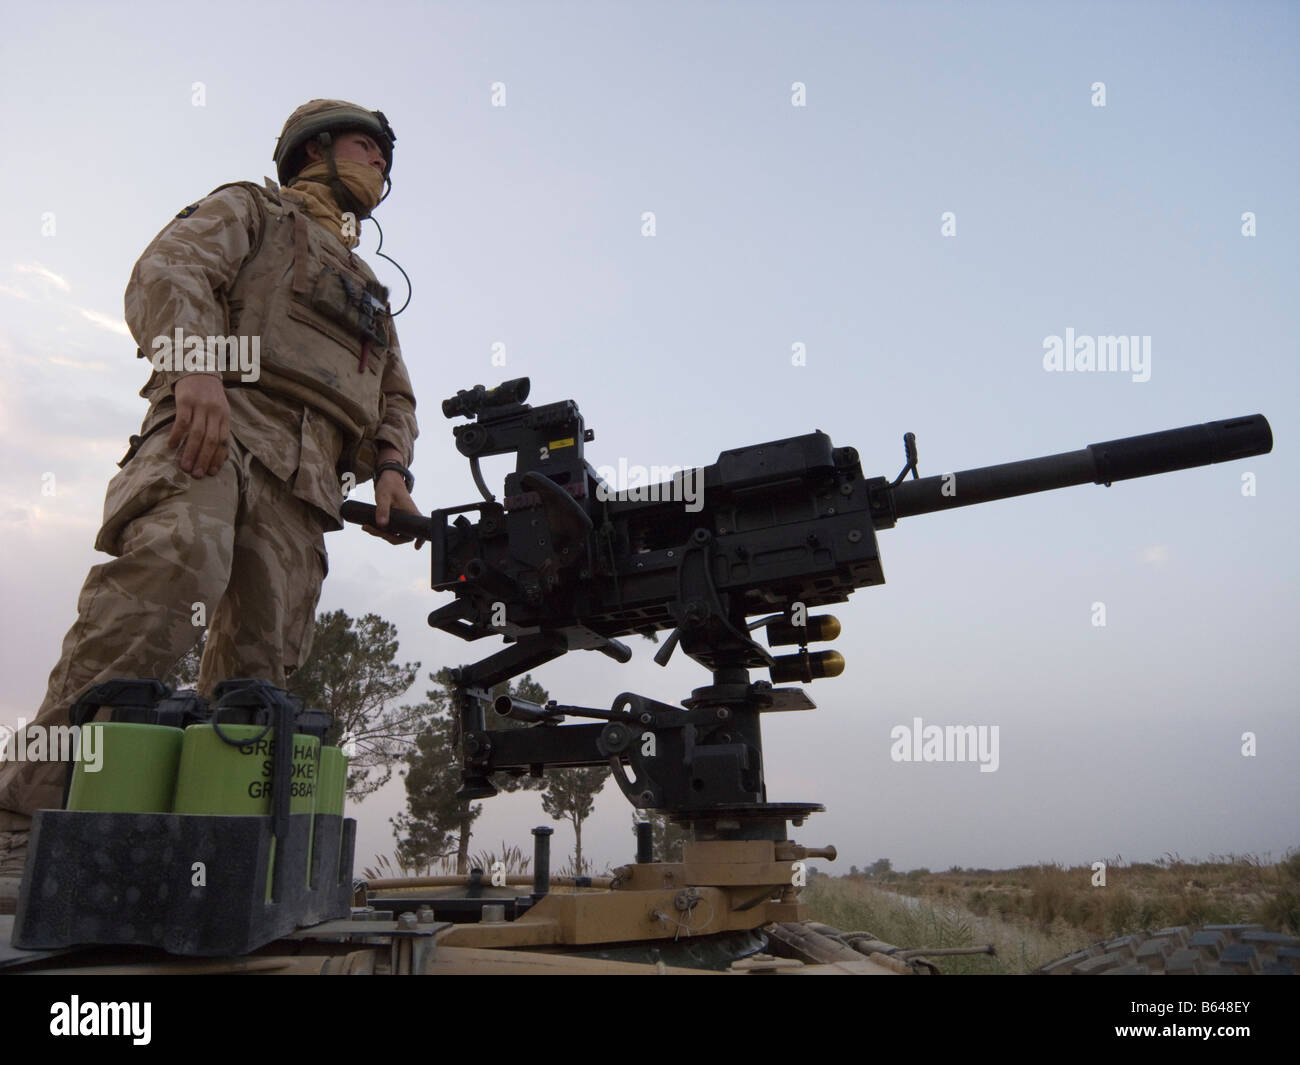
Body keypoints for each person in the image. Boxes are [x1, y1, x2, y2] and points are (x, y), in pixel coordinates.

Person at [0, 99, 420, 908]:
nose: (381, 166)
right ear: (314, 151)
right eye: (366, 147)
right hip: (216, 426)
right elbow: (167, 270)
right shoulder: (252, 209)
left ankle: (202, 856)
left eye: (385, 158)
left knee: (254, 682)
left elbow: (393, 391)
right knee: (165, 581)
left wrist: (393, 468)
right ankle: (24, 813)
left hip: (308, 483)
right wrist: (194, 368)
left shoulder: (369, 288)